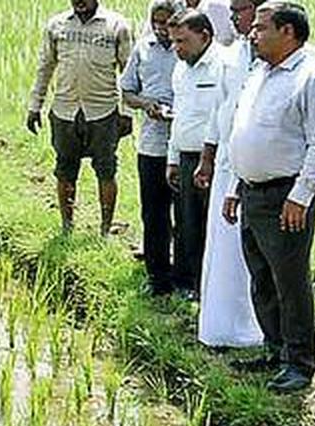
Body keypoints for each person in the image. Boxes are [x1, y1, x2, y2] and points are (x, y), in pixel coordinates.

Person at [223, 1, 315, 392]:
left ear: (288, 32)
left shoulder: (313, 77)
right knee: (261, 277)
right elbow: (244, 131)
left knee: (290, 281)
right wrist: (234, 187)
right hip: (252, 192)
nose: (252, 34)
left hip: (285, 196)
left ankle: (300, 363)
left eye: (261, 27)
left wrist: (301, 196)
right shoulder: (260, 72)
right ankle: (274, 348)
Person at [193, 0, 265, 348]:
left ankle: (255, 329)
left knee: (252, 253)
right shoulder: (232, 54)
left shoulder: (280, 62)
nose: (234, 17)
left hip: (257, 169)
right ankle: (221, 327)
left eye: (242, 10)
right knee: (223, 246)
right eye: (233, 10)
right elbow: (218, 109)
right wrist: (207, 156)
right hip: (225, 165)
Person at [27, 0, 133, 237]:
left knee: (106, 170)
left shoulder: (117, 26)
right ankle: (67, 226)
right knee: (65, 169)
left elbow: (128, 72)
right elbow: (45, 66)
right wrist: (35, 105)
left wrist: (126, 112)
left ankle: (105, 229)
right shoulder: (57, 25)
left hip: (103, 112)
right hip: (65, 110)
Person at [122, 0, 183, 296]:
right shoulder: (143, 48)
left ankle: (186, 277)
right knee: (154, 213)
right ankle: (157, 277)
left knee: (186, 215)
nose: (161, 28)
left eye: (167, 22)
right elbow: (127, 92)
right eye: (156, 22)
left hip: (185, 145)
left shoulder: (191, 50)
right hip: (152, 144)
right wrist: (147, 104)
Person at [166, 10, 224, 301]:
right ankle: (193, 286)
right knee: (187, 226)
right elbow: (180, 118)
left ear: (205, 36)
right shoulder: (181, 69)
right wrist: (172, 160)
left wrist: (209, 160)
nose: (177, 48)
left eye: (183, 41)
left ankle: (211, 291)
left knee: (210, 227)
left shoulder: (223, 66)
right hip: (186, 157)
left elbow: (222, 118)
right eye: (174, 41)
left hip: (211, 161)